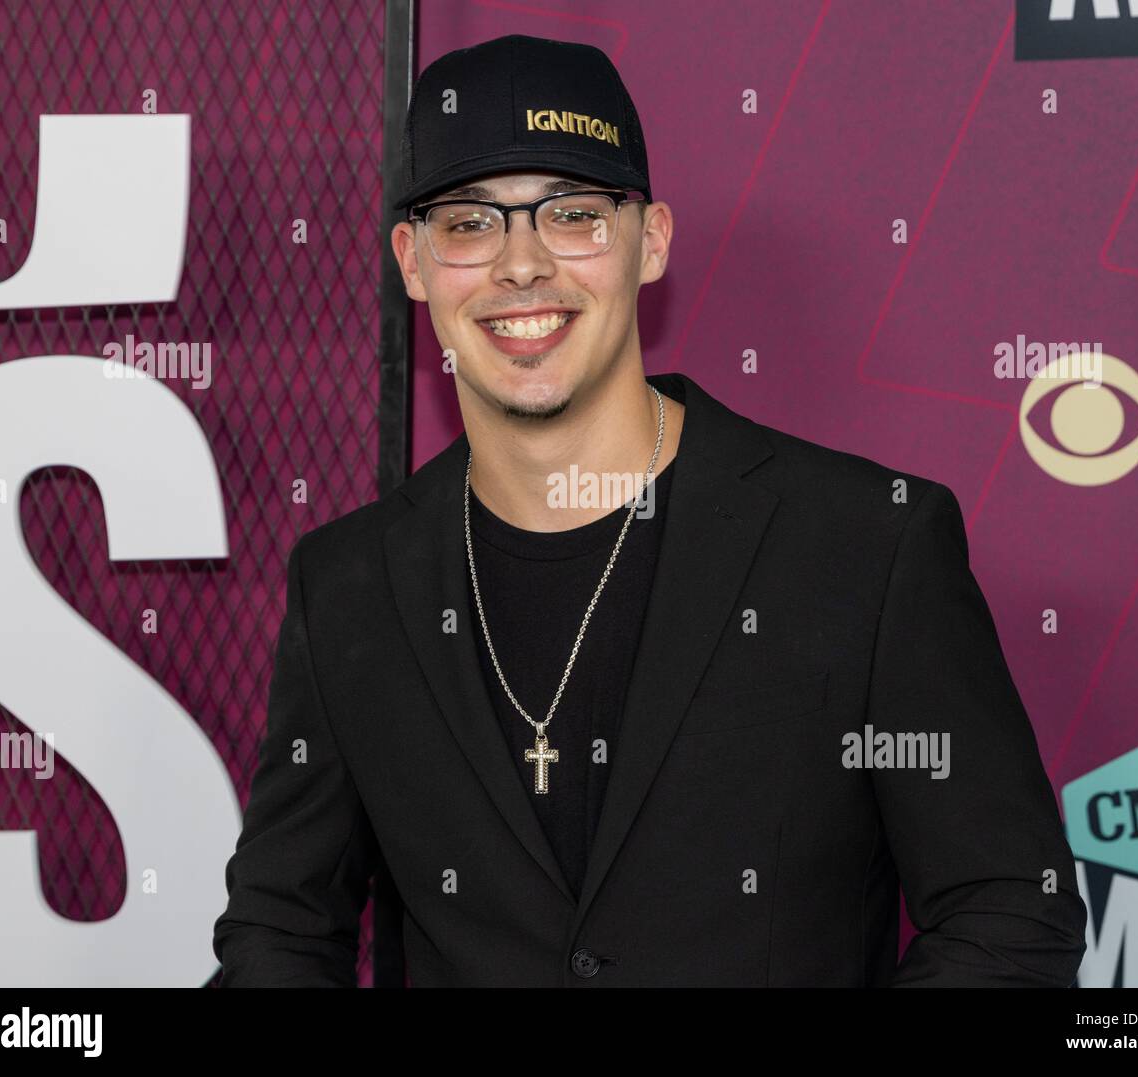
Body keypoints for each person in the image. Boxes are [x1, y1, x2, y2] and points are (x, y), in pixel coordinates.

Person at [212, 33, 1087, 987]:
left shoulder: (866, 544)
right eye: (470, 222)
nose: (520, 266)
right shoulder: (350, 583)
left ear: (652, 240)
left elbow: (1012, 912)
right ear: (413, 262)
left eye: (574, 214)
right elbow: (282, 932)